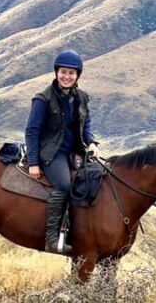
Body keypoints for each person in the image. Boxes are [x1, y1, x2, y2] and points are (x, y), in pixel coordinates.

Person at [24, 49, 99, 255]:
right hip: (51, 154)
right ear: (56, 73)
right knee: (64, 184)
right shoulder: (43, 99)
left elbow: (86, 125)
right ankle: (52, 238)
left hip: (74, 151)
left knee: (96, 178)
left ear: (77, 76)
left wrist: (91, 142)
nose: (67, 76)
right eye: (63, 72)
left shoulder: (82, 97)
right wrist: (33, 162)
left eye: (71, 73)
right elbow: (32, 131)